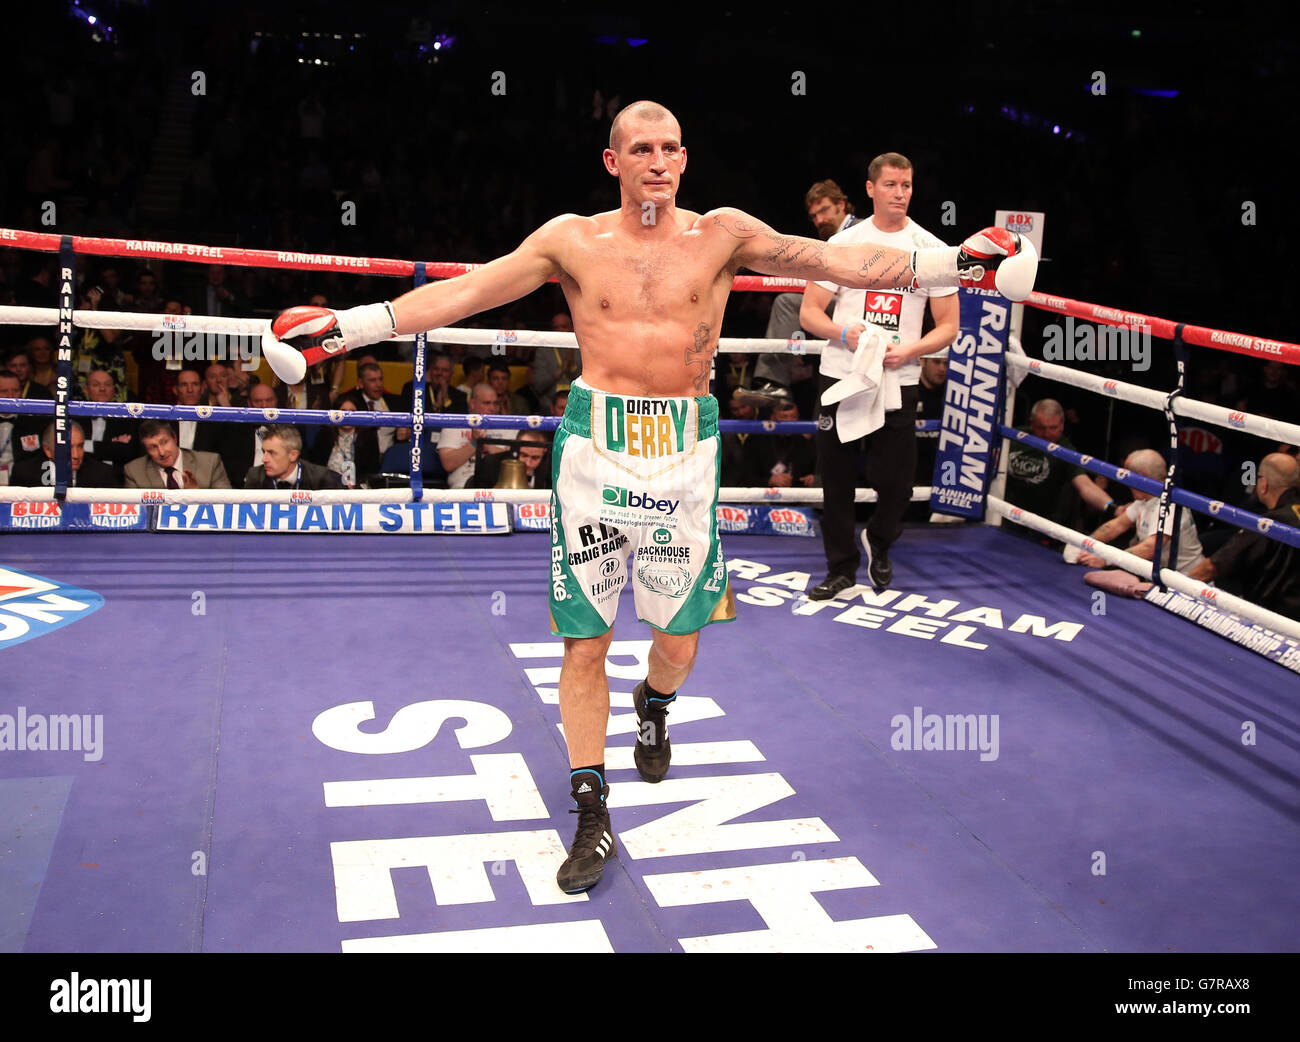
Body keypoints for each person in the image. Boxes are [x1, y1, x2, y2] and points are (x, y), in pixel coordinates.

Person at [265, 100, 1034, 894]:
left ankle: (654, 700)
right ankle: (591, 808)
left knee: (678, 642)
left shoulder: (723, 234)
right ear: (614, 162)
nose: (658, 161)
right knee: (584, 640)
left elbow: (838, 264)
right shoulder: (571, 239)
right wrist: (348, 327)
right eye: (641, 148)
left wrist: (959, 267)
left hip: (685, 457)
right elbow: (470, 293)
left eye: (669, 148)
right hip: (595, 453)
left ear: (685, 158)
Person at [799, 153, 961, 597]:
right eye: (890, 185)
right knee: (836, 480)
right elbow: (809, 313)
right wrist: (843, 332)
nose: (900, 194)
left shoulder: (930, 251)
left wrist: (912, 348)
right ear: (870, 190)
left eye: (906, 185)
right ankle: (840, 568)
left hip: (900, 378)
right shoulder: (844, 243)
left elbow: (949, 325)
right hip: (842, 374)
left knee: (897, 484)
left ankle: (880, 539)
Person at [746, 179, 862, 406]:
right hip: (842, 309)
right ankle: (778, 383)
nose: (820, 220)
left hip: (863, 307)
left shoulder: (860, 231)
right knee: (795, 307)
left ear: (842, 205)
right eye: (814, 215)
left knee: (788, 303)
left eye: (825, 210)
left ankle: (775, 381)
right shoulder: (832, 240)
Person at [1064, 449, 1206, 591]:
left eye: (1129, 476)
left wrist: (1105, 559)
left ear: (1141, 477)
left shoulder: (1169, 506)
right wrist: (1085, 544)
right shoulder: (1146, 498)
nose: (1127, 483)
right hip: (1161, 581)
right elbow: (1117, 525)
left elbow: (1151, 548)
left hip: (1188, 584)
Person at [1186, 453, 1300, 619]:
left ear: (1264, 484)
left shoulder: (1269, 523)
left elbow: (1213, 566)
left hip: (1269, 619)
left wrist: (1176, 588)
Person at [1004, 398, 1114, 535]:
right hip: (1004, 515)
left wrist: (1113, 507)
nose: (1047, 434)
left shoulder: (1065, 450)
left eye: (1053, 428)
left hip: (1039, 526)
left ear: (1062, 425)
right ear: (1032, 423)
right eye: (1041, 427)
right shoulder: (1014, 436)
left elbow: (1085, 485)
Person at [124, 420, 232, 489]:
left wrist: (197, 496)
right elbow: (137, 514)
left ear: (175, 438)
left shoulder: (209, 463)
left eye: (164, 442)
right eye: (153, 447)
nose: (162, 452)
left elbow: (227, 505)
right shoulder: (134, 471)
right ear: (146, 450)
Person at [10, 422, 118, 488]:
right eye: (68, 447)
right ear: (48, 450)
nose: (76, 455)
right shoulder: (25, 474)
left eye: (80, 446)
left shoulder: (103, 475)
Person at [244, 424, 343, 490]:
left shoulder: (322, 478)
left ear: (293, 455)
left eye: (272, 453)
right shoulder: (255, 476)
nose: (264, 459)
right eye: (264, 452)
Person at [470, 429, 552, 489]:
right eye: (523, 455)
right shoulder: (491, 464)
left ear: (544, 453)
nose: (528, 463)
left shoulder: (551, 470)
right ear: (514, 449)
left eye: (535, 458)